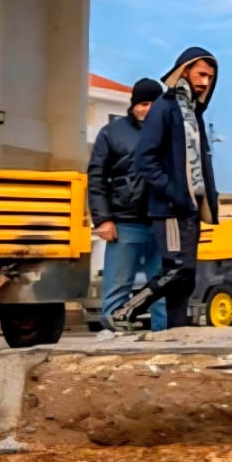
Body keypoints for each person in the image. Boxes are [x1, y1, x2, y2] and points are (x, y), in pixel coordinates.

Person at [116, 48, 219, 330]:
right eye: (201, 74)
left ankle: (178, 330)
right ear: (184, 71)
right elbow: (144, 158)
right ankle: (128, 309)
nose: (206, 82)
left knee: (187, 277)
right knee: (177, 269)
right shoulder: (165, 106)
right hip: (170, 207)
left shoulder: (194, 111)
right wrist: (171, 190)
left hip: (192, 206)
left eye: (210, 77)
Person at [88, 78, 166, 332]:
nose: (148, 109)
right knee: (118, 287)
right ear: (133, 105)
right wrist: (103, 219)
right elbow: (96, 177)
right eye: (143, 103)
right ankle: (113, 340)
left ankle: (165, 342)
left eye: (154, 104)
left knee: (162, 289)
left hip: (163, 222)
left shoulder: (172, 134)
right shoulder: (111, 133)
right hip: (125, 222)